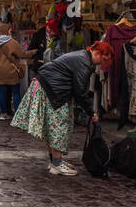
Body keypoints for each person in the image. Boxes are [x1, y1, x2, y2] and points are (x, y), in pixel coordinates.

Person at [12, 40, 113, 175]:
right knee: (59, 127)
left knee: (50, 127)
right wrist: (91, 112)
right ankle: (57, 164)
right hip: (53, 90)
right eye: (103, 59)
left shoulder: (82, 56)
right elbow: (81, 91)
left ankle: (55, 161)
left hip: (46, 86)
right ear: (97, 53)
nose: (101, 63)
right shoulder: (84, 62)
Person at [0, 21, 30, 120]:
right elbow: (21, 54)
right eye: (9, 30)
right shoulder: (11, 42)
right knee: (15, 92)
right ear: (6, 31)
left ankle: (3, 114)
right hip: (11, 69)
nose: (11, 32)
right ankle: (17, 114)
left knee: (2, 92)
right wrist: (33, 52)